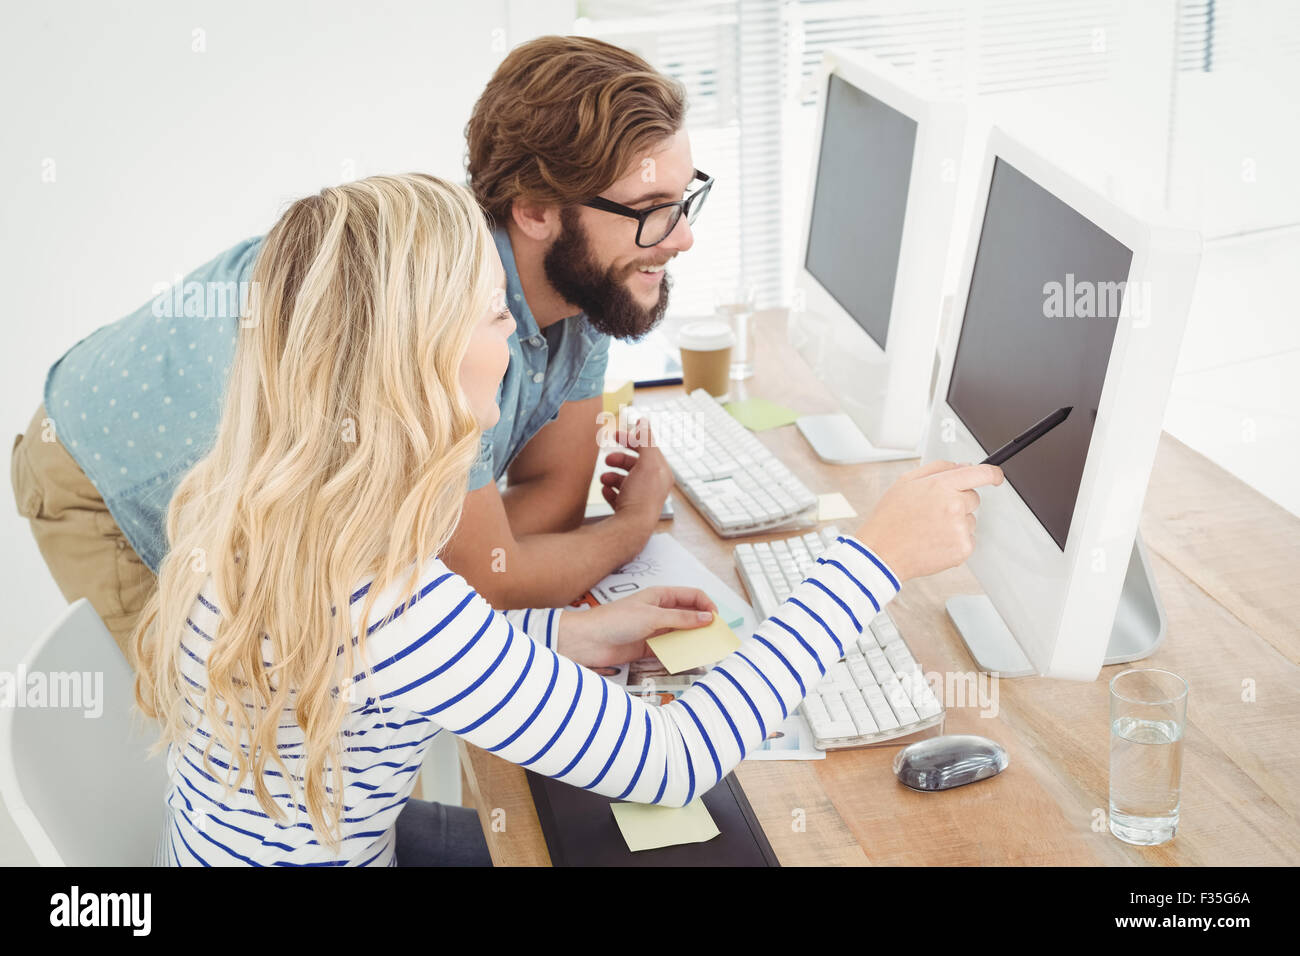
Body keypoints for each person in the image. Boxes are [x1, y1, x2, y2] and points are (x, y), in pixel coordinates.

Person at [134, 172, 1003, 866]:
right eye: (490, 313)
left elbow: (400, 669)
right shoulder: (388, 599)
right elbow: (672, 763)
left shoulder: (257, 510)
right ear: (415, 364)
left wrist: (561, 638)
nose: (515, 334)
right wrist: (872, 560)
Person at [12, 35, 699, 661]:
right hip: (113, 466)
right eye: (650, 209)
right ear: (537, 210)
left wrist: (494, 550)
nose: (681, 237)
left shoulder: (589, 284)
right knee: (239, 743)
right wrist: (633, 523)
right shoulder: (442, 321)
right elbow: (491, 577)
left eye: (684, 199)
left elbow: (535, 513)